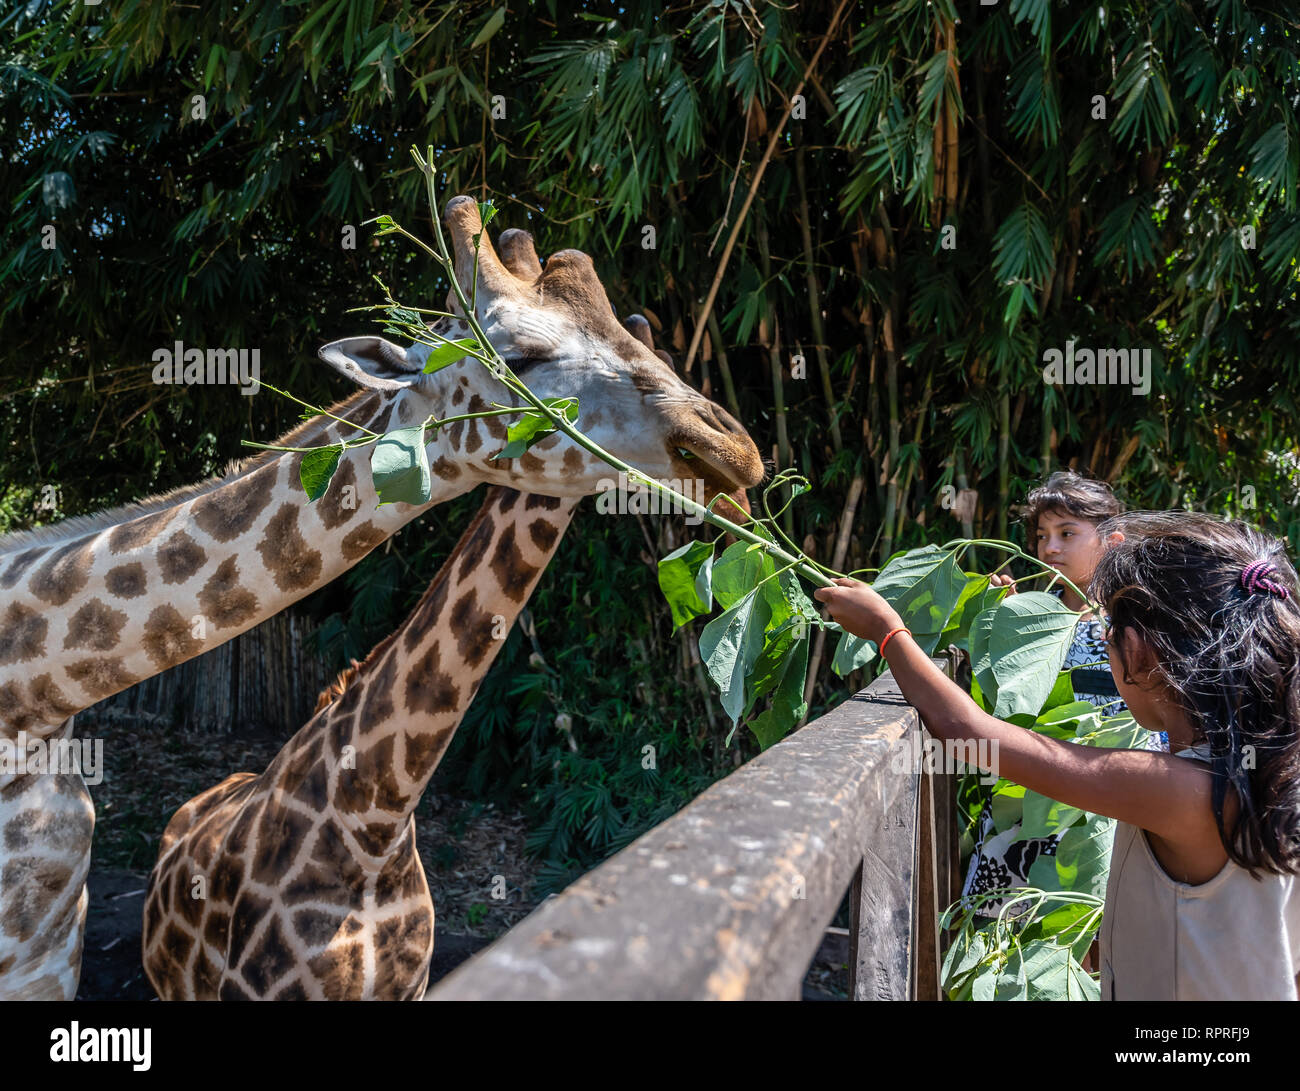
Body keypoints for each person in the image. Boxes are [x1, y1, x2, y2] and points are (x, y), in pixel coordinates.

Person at [814, 511, 1300, 1000]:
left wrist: (887, 631)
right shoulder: (1276, 772)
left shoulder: (1180, 790)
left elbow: (967, 732)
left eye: (1110, 630)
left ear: (1138, 652)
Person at [963, 471, 1164, 921]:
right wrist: (1001, 622)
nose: (1049, 548)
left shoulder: (1135, 623)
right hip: (1027, 794)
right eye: (1041, 535)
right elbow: (1006, 701)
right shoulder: (1036, 610)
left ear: (1111, 541)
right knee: (996, 932)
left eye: (1067, 533)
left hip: (1107, 803)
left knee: (1084, 927)